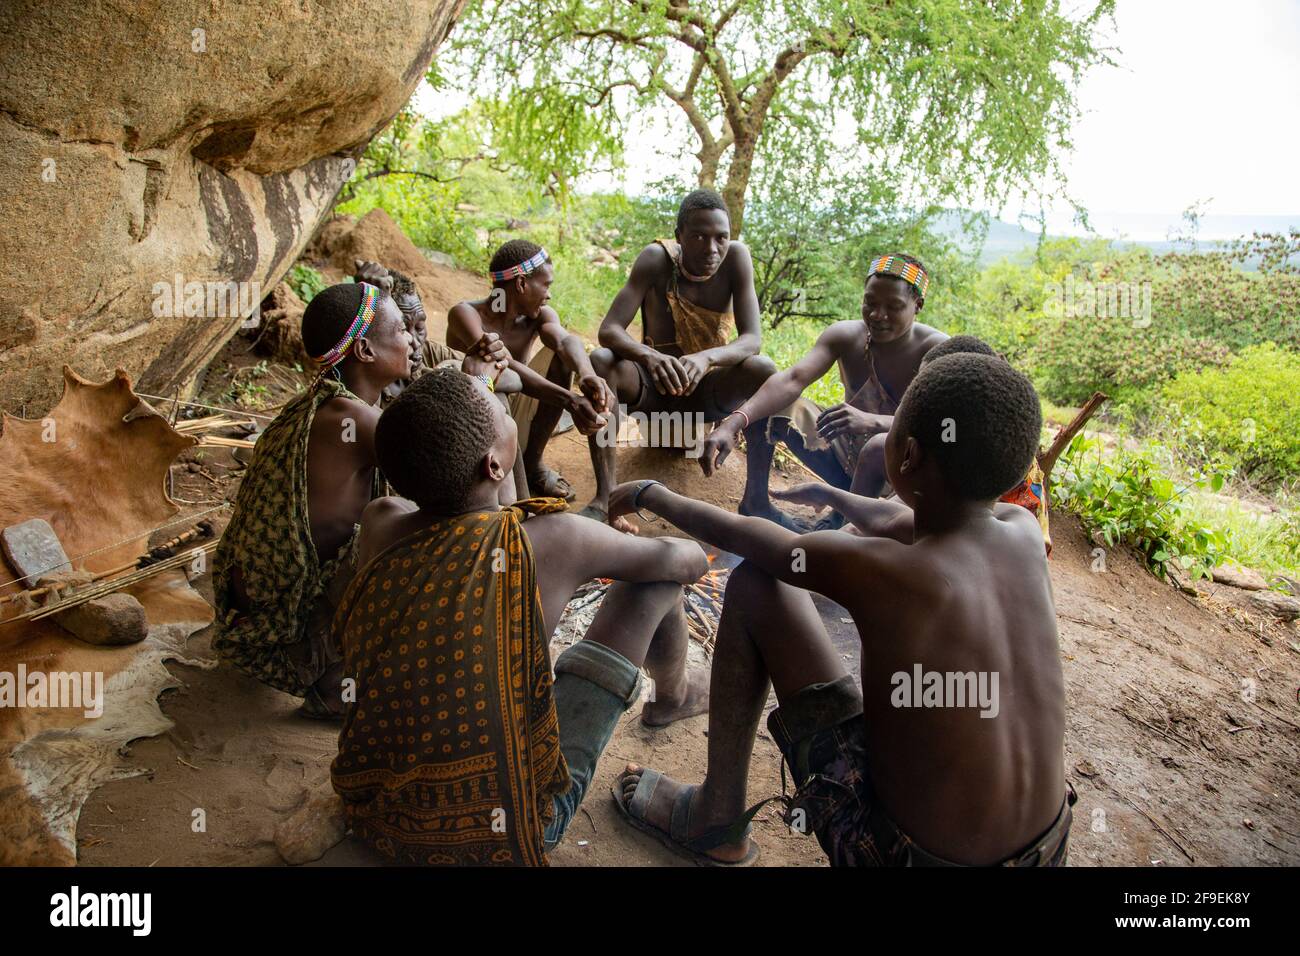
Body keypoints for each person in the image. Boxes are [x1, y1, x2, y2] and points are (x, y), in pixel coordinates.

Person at [610, 352, 1073, 867]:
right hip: (1044, 851)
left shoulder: (896, 575)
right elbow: (904, 518)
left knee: (756, 585)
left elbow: (765, 545)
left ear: (909, 454)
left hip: (902, 857)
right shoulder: (1021, 530)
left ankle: (714, 818)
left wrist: (651, 494)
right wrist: (837, 496)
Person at [329, 366, 712, 865]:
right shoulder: (559, 539)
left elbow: (486, 527)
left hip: (378, 809)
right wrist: (646, 498)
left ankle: (675, 694)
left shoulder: (381, 521)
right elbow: (687, 563)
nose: (502, 403)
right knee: (655, 586)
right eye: (496, 408)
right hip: (503, 831)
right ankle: (673, 696)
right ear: (494, 465)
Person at [212, 281, 506, 717]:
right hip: (288, 631)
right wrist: (479, 384)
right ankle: (336, 683)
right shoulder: (350, 420)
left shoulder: (325, 406)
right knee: (440, 529)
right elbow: (461, 468)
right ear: (365, 351)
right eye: (400, 330)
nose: (412, 338)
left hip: (259, 611)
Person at [582, 188, 784, 531]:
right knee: (602, 361)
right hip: (653, 393)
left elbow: (753, 340)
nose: (712, 248)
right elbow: (610, 329)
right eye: (699, 237)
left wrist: (706, 359)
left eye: (721, 237)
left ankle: (756, 500)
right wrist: (650, 358)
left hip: (705, 394)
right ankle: (606, 497)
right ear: (679, 237)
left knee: (764, 370)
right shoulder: (655, 261)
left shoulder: (737, 259)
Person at [700, 254, 947, 530]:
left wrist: (874, 422)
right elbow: (792, 379)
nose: (878, 315)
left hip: (898, 475)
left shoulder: (937, 352)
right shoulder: (846, 336)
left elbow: (944, 427)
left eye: (894, 306)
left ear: (918, 306)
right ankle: (756, 504)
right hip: (845, 457)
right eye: (870, 303)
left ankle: (848, 530)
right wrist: (734, 422)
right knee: (779, 405)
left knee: (879, 447)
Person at [448, 240, 614, 505]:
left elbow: (564, 341)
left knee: (560, 360)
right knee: (500, 386)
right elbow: (500, 366)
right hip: (471, 419)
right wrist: (569, 400)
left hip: (517, 402)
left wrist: (586, 373)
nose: (549, 294)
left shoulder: (539, 316)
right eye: (546, 285)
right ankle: (519, 499)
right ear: (522, 284)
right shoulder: (465, 314)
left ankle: (532, 462)